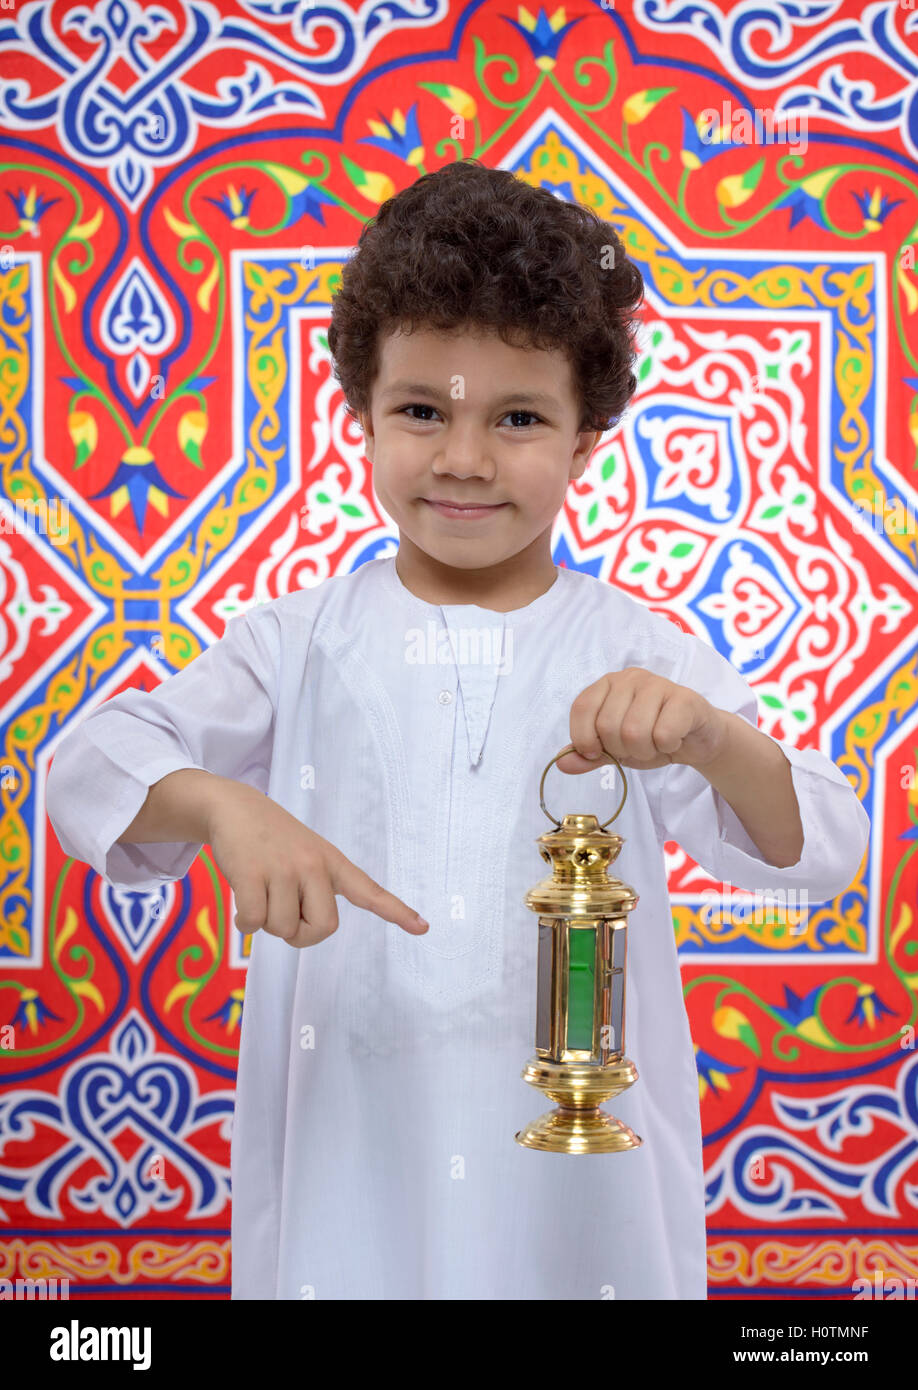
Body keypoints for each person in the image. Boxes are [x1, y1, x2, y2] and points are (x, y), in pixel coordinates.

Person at [45, 160, 870, 1300]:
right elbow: (84, 767)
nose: (465, 458)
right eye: (422, 409)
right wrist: (222, 805)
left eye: (518, 418)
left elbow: (821, 845)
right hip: (350, 1158)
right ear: (362, 417)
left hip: (583, 1192)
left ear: (585, 444)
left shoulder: (641, 653)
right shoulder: (297, 642)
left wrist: (710, 739)